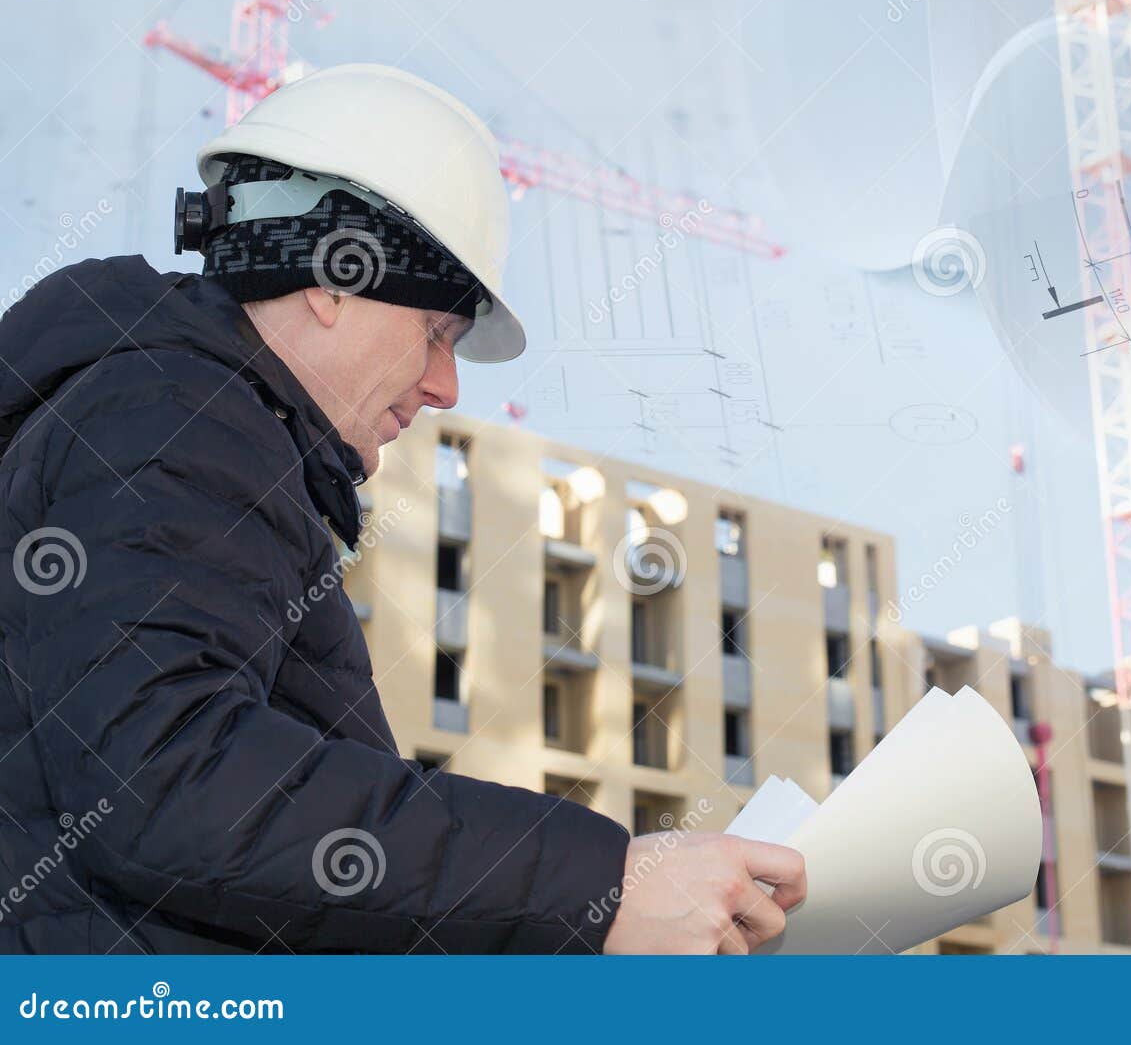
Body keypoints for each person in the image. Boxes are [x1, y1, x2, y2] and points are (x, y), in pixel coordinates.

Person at [0, 63, 804, 954]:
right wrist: (599, 885)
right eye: (436, 333)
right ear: (332, 277)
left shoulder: (204, 435)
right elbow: (168, 784)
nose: (446, 385)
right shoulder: (170, 416)